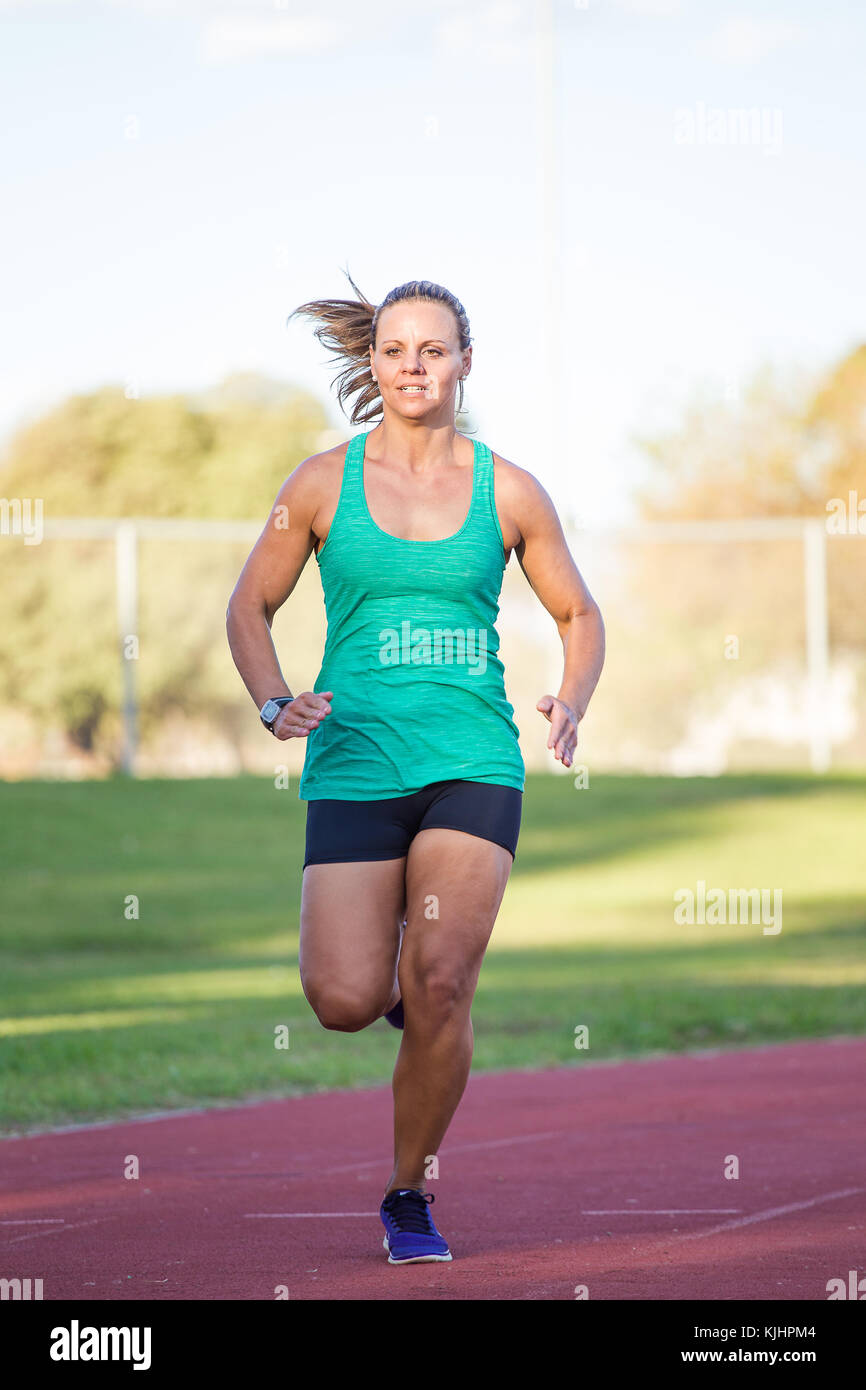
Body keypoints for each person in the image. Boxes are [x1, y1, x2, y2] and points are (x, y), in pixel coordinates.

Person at [226, 274, 605, 1264]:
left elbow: (578, 613)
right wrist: (273, 701)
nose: (411, 366)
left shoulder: (507, 489)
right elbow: (247, 608)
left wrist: (571, 697)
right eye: (394, 350)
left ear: (462, 363)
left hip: (471, 759)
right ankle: (389, 968)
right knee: (345, 1000)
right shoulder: (318, 484)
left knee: (440, 984)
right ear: (372, 362)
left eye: (431, 350)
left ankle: (407, 1192)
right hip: (352, 761)